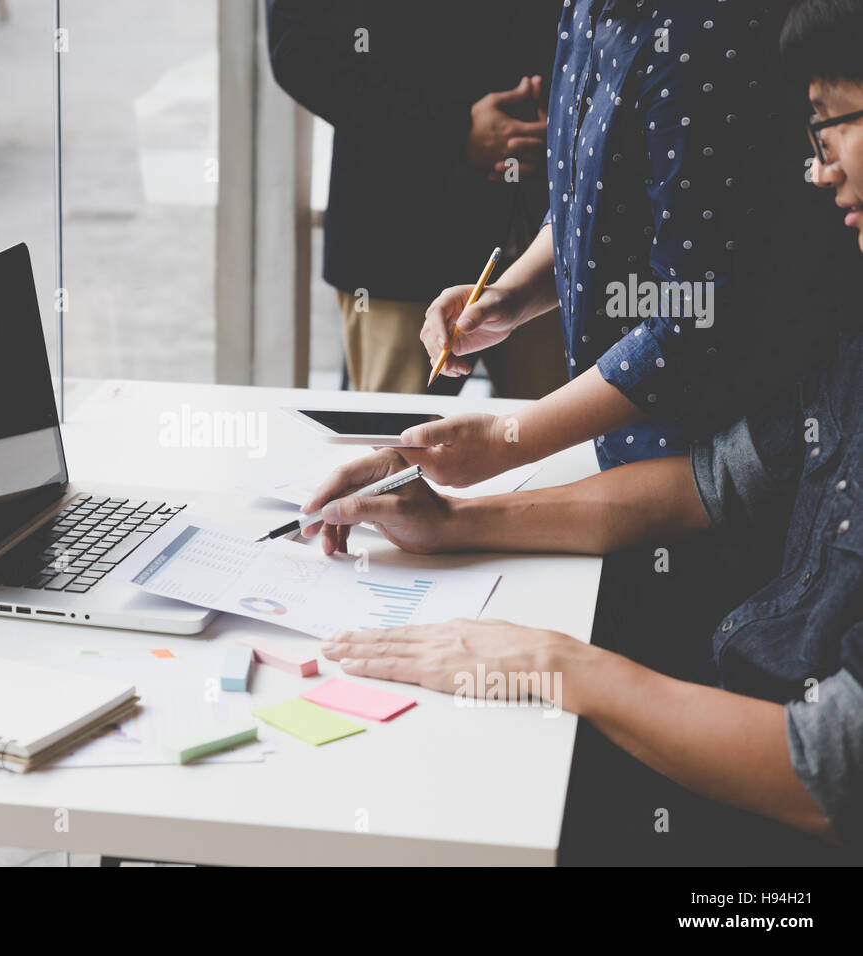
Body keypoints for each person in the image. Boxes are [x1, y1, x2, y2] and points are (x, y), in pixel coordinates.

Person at [297, 0, 863, 864]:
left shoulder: (703, 37)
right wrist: (451, 523)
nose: (816, 173)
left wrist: (558, 667)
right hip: (728, 687)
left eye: (826, 132)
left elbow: (828, 772)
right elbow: (712, 483)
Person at [265, 0, 568, 397]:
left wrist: (570, 122)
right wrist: (454, 131)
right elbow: (299, 47)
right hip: (401, 233)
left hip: (554, 229)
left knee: (575, 454)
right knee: (397, 448)